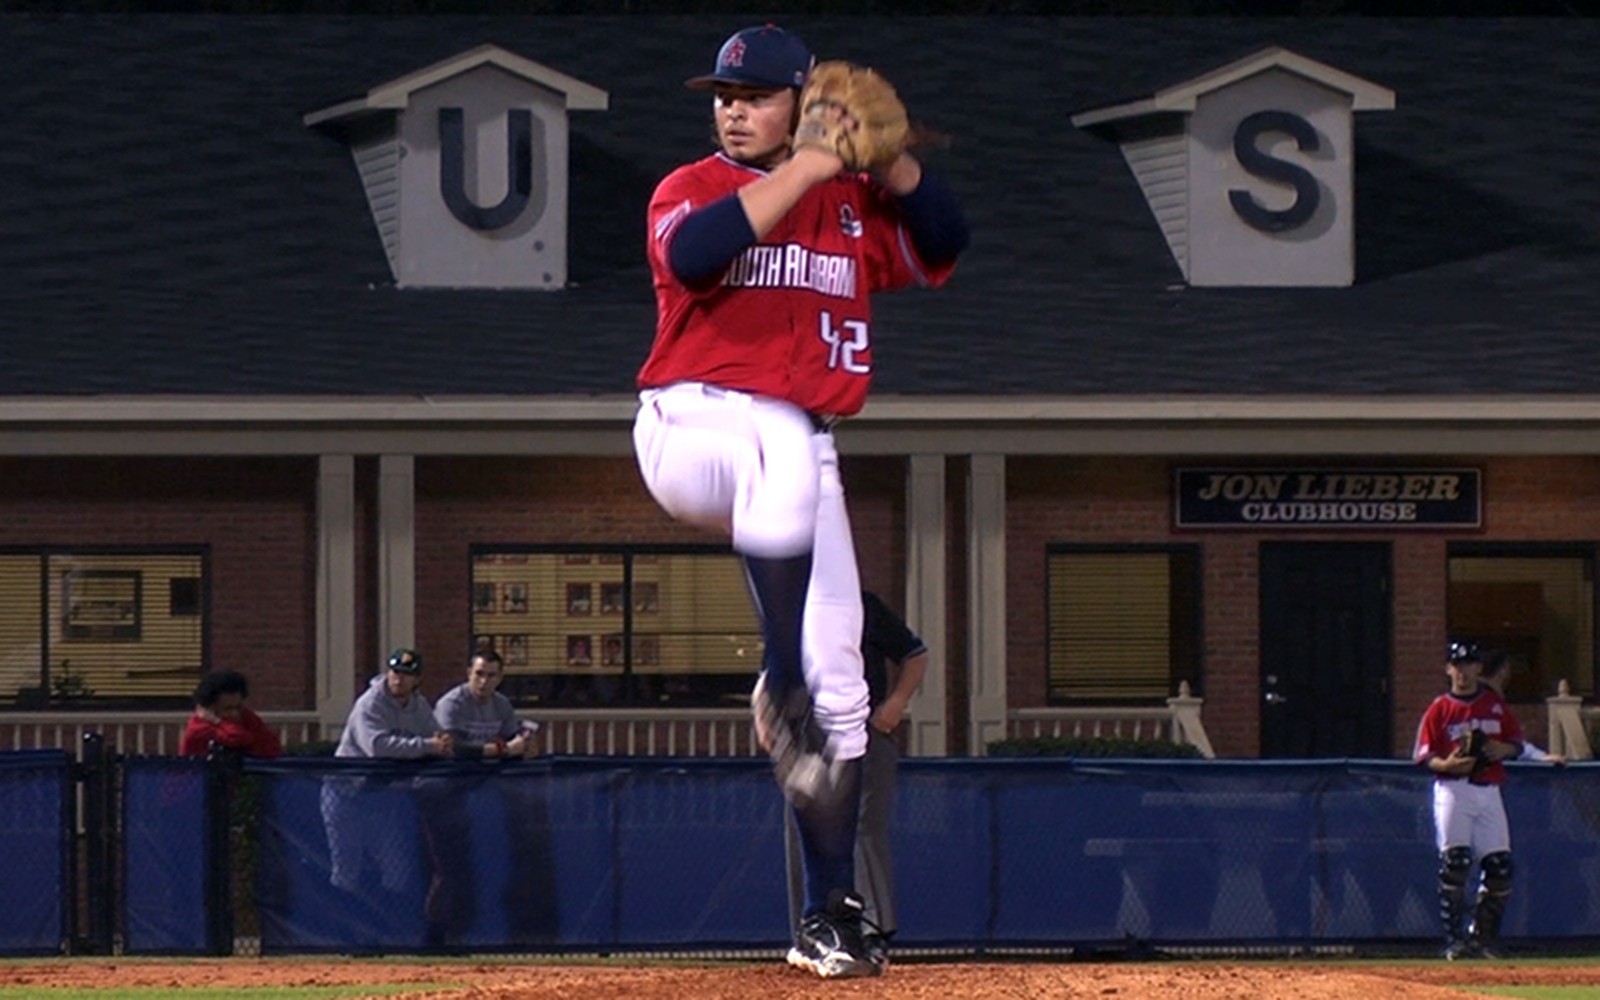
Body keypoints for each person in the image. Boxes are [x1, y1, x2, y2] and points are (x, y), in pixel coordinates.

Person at [630, 23, 967, 979]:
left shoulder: (852, 206)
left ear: (803, 102)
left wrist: (890, 164)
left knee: (845, 690)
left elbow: (946, 239)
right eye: (724, 96)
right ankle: (776, 678)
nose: (732, 110)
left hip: (802, 454)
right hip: (692, 430)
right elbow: (697, 255)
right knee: (779, 434)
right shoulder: (692, 184)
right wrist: (814, 163)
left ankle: (828, 916)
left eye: (755, 96)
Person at [785, 589, 928, 971]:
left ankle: (872, 932)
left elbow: (914, 654)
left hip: (862, 731)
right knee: (802, 829)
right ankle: (813, 932)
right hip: (806, 734)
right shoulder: (786, 604)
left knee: (863, 826)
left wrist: (895, 703)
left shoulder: (857, 602)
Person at [425, 648, 551, 946]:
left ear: (500, 678)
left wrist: (526, 748)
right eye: (479, 674)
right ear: (468, 673)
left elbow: (513, 742)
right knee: (448, 868)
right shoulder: (452, 703)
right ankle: (436, 939)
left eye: (491, 675)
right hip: (445, 796)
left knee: (488, 866)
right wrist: (503, 750)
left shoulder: (501, 705)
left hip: (485, 800)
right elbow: (452, 748)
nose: (484, 681)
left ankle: (482, 936)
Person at [1413, 639, 1526, 960]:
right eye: (1457, 666)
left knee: (1499, 866)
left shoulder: (1494, 705)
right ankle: (1455, 940)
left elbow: (1516, 742)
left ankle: (1483, 938)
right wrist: (1448, 764)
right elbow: (1425, 756)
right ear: (1449, 669)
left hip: (1488, 788)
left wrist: (1503, 749)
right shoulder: (1440, 708)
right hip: (1454, 788)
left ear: (1478, 668)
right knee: (1456, 862)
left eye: (1469, 665)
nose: (1463, 672)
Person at [321, 649, 453, 895]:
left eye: (406, 674)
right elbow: (377, 747)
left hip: (381, 797)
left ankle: (386, 917)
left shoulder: (419, 706)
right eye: (394, 672)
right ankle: (341, 917)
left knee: (397, 869)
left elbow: (436, 735)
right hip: (345, 793)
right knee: (347, 869)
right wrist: (428, 746)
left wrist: (442, 742)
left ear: (417, 680)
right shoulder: (370, 703)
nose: (398, 679)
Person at [1481, 649, 1567, 765]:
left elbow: (1516, 742)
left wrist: (1540, 756)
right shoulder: (1486, 704)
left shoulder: (1498, 705)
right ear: (1503, 671)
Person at [179, 669, 284, 759]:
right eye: (227, 709)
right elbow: (239, 738)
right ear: (210, 708)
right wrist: (218, 722)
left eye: (238, 707)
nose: (234, 713)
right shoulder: (198, 727)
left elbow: (273, 748)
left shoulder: (246, 716)